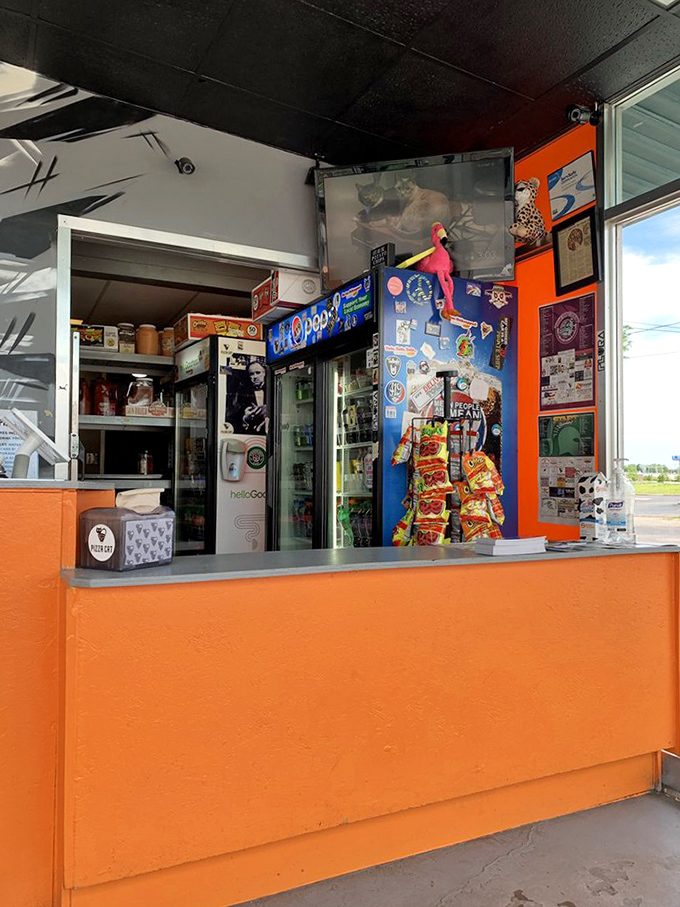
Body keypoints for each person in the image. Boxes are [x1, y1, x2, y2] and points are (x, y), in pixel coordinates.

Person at [225, 358, 267, 434]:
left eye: (258, 373)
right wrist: (245, 418)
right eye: (252, 374)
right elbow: (233, 416)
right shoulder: (242, 393)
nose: (255, 376)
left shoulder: (273, 388)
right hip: (250, 433)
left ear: (264, 373)